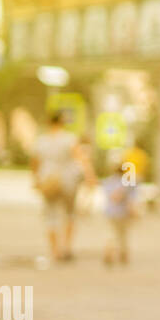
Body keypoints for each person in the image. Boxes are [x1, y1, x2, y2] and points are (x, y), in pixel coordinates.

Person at [30, 110, 96, 263]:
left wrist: (36, 180)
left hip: (48, 180)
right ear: (62, 122)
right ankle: (66, 247)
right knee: (70, 214)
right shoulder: (69, 139)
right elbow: (81, 158)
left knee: (50, 215)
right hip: (67, 180)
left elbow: (34, 162)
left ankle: (55, 251)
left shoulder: (41, 141)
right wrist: (90, 176)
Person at [100, 149, 137, 266]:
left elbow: (107, 195)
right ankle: (123, 254)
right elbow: (132, 199)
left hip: (110, 212)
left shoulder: (108, 181)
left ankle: (110, 251)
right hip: (123, 212)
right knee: (123, 235)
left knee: (112, 233)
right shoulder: (129, 182)